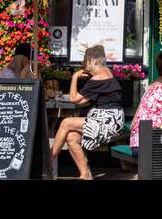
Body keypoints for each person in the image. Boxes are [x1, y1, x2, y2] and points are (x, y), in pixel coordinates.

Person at [50, 46, 123, 179]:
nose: (83, 65)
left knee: (66, 123)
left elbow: (73, 99)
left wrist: (74, 77)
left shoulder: (98, 79)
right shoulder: (105, 73)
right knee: (72, 137)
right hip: (112, 119)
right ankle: (85, 174)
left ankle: (47, 161)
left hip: (107, 121)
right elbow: (83, 100)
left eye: (85, 61)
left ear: (92, 61)